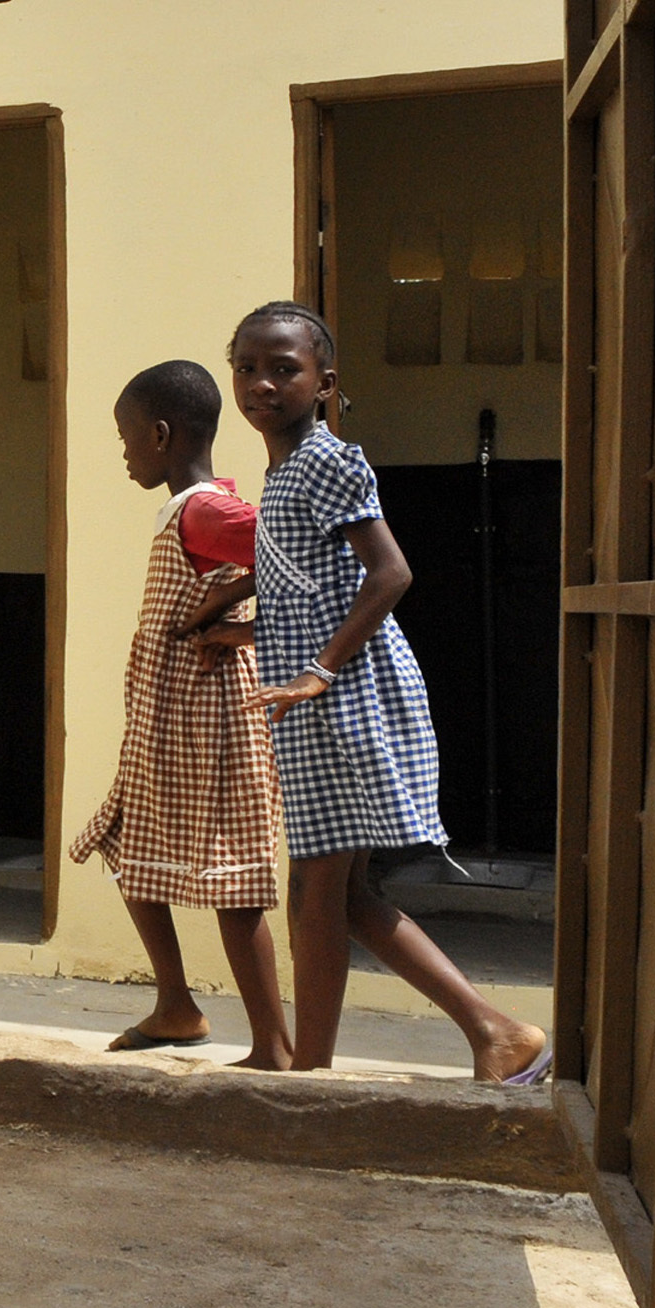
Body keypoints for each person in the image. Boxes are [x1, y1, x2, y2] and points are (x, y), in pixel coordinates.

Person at [233, 303, 550, 1085]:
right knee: (338, 895)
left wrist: (320, 670)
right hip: (311, 699)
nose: (262, 383)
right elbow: (312, 592)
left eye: (284, 369)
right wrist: (243, 632)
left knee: (317, 888)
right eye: (247, 368)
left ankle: (312, 1073)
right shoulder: (286, 471)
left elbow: (391, 573)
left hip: (341, 697)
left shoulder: (327, 460)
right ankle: (497, 1034)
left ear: (324, 383)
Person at [67, 359, 292, 1067]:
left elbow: (308, 558)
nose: (124, 452)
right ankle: (176, 1006)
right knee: (127, 840)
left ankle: (273, 1045)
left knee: (233, 878)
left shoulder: (206, 511)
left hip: (212, 720)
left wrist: (244, 624)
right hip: (167, 717)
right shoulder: (190, 510)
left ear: (161, 435)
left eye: (126, 437)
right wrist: (232, 603)